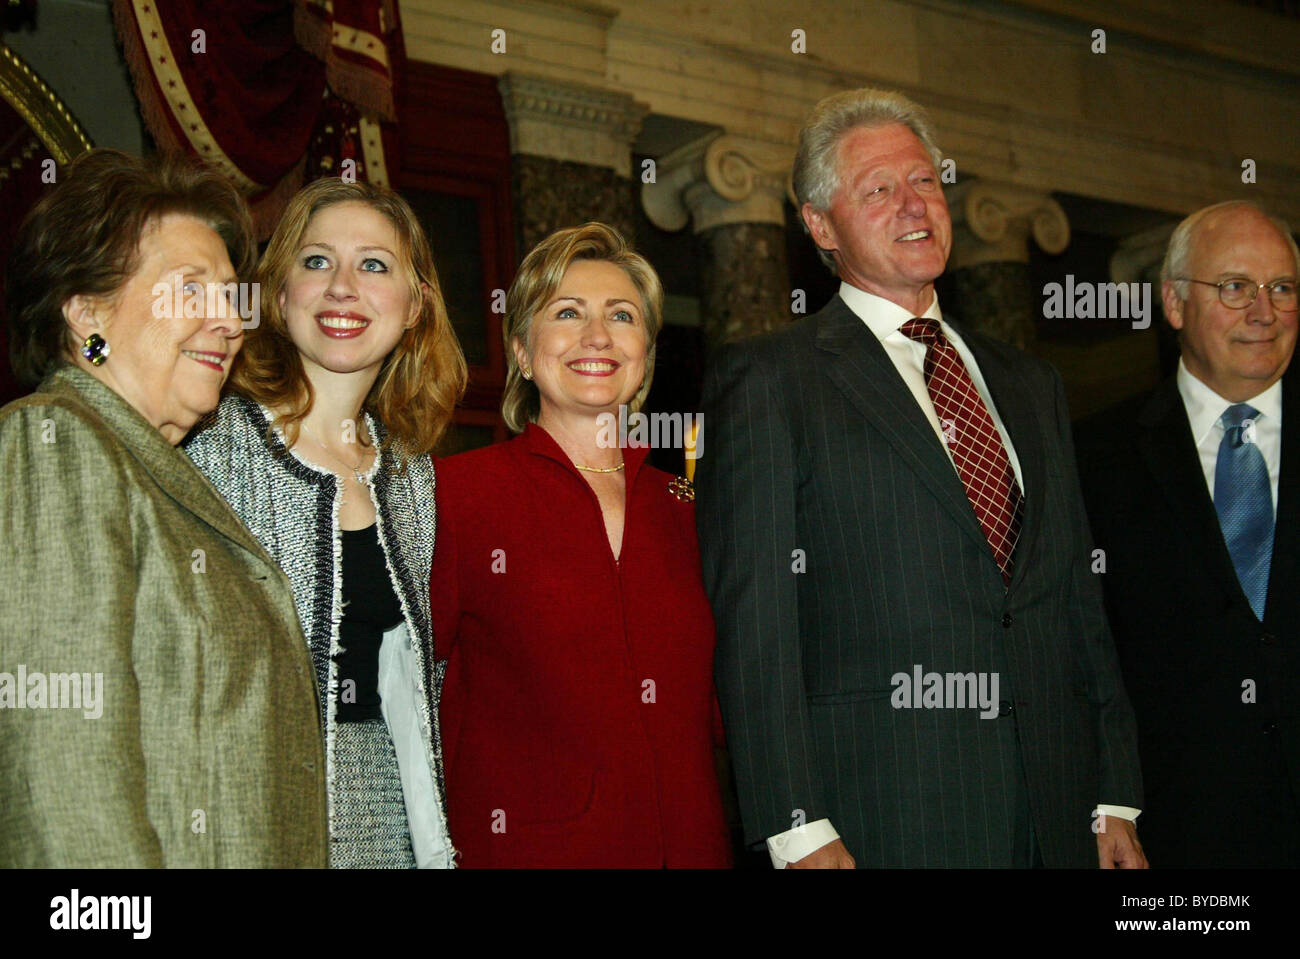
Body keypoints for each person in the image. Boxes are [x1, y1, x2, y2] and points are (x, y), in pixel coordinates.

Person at [696, 88, 1146, 869]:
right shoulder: (772, 381)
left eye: (926, 181)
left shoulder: (1028, 381)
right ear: (819, 224)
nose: (915, 204)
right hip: (887, 815)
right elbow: (756, 623)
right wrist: (795, 825)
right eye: (879, 190)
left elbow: (1076, 593)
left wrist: (1114, 793)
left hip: (1063, 806)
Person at [0, 148, 326, 867]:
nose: (229, 322)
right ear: (87, 312)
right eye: (192, 289)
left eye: (231, 294)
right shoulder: (57, 442)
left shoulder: (159, 477)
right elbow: (63, 776)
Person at [184, 177, 466, 868]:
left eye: (374, 265)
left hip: (392, 822)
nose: (343, 286)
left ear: (415, 304)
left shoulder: (410, 475)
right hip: (248, 822)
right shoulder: (213, 445)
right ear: (279, 296)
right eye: (315, 261)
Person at [431, 222, 732, 868]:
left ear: (646, 354)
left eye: (621, 316)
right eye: (567, 313)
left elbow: (732, 706)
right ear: (520, 350)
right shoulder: (454, 497)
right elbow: (405, 701)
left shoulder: (692, 512)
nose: (597, 336)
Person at [1075, 201, 1300, 868]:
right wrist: (1102, 801)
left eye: (1282, 287)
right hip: (1172, 839)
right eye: (1235, 286)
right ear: (1173, 302)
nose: (1264, 310)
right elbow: (1077, 648)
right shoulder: (1093, 458)